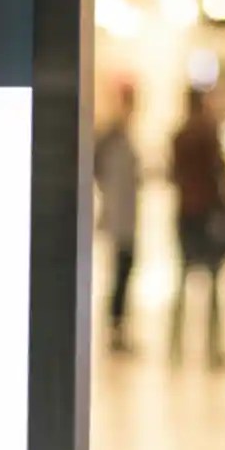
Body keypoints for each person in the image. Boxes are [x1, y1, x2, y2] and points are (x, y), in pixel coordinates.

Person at [169, 89, 225, 369]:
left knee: (184, 279)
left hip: (186, 211)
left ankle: (175, 346)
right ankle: (213, 348)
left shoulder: (180, 134)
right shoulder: (208, 132)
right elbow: (220, 175)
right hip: (206, 213)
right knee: (213, 283)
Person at [94, 84, 140, 353]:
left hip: (129, 216)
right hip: (117, 216)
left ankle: (119, 328)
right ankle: (114, 329)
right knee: (118, 275)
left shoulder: (124, 137)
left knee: (125, 273)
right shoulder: (111, 137)